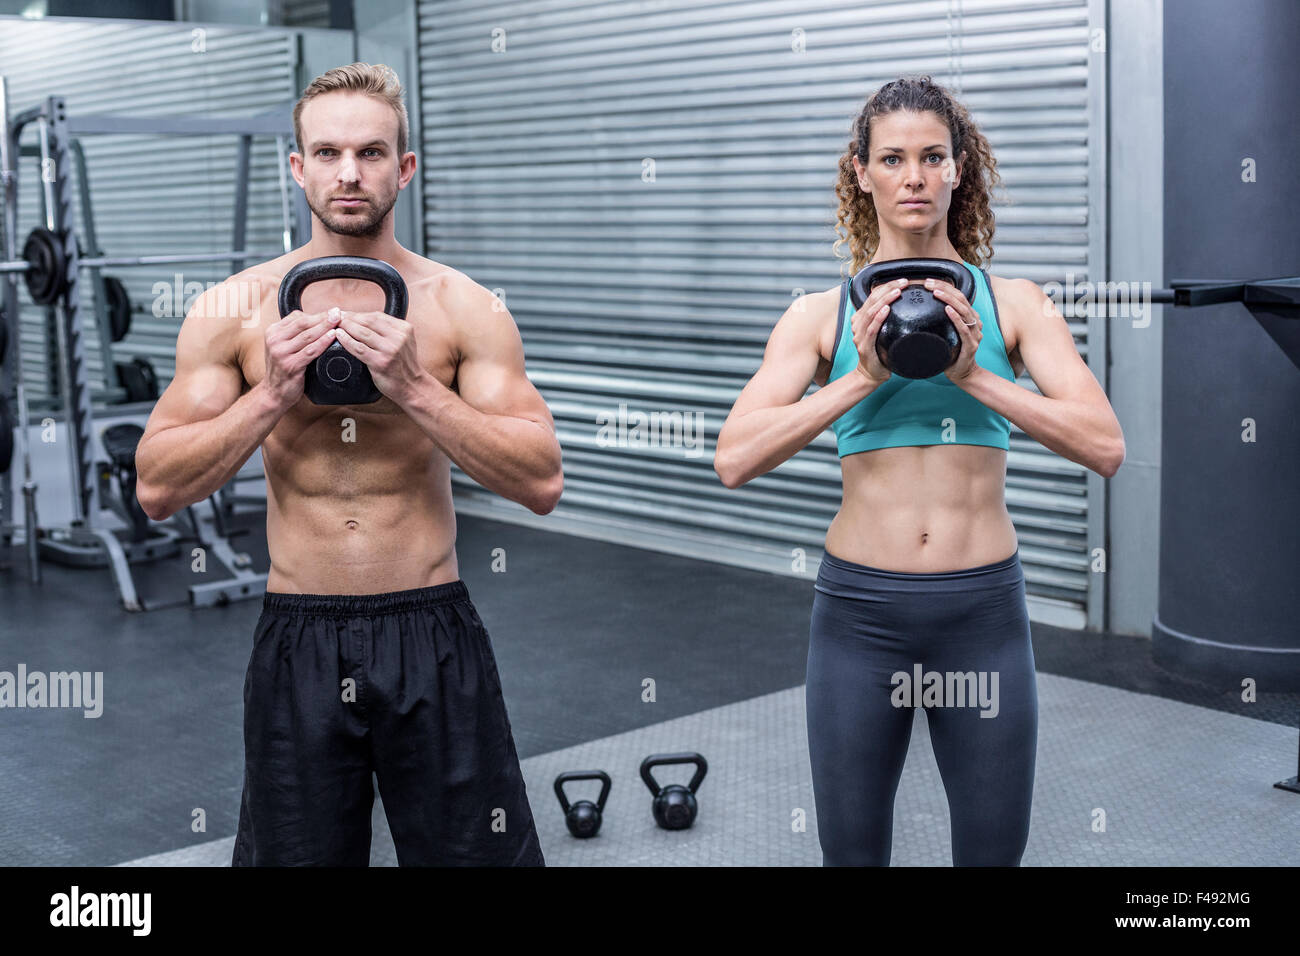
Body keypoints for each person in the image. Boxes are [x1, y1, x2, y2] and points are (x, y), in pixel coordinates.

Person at [135, 63, 562, 866]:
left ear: (404, 167)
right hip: (299, 638)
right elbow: (157, 486)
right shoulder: (234, 309)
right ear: (297, 167)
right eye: (326, 153)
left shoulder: (465, 306)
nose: (349, 173)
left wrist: (416, 389)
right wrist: (267, 397)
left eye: (371, 153)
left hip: (432, 632)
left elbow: (540, 481)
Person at [714, 76, 1124, 866]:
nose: (914, 177)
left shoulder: (1015, 306)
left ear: (959, 169)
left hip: (983, 617)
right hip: (859, 621)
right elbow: (735, 457)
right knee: (854, 854)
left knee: (991, 854)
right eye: (893, 158)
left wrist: (974, 375)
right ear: (861, 172)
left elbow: (1104, 445)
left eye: (933, 157)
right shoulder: (818, 317)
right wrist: (862, 377)